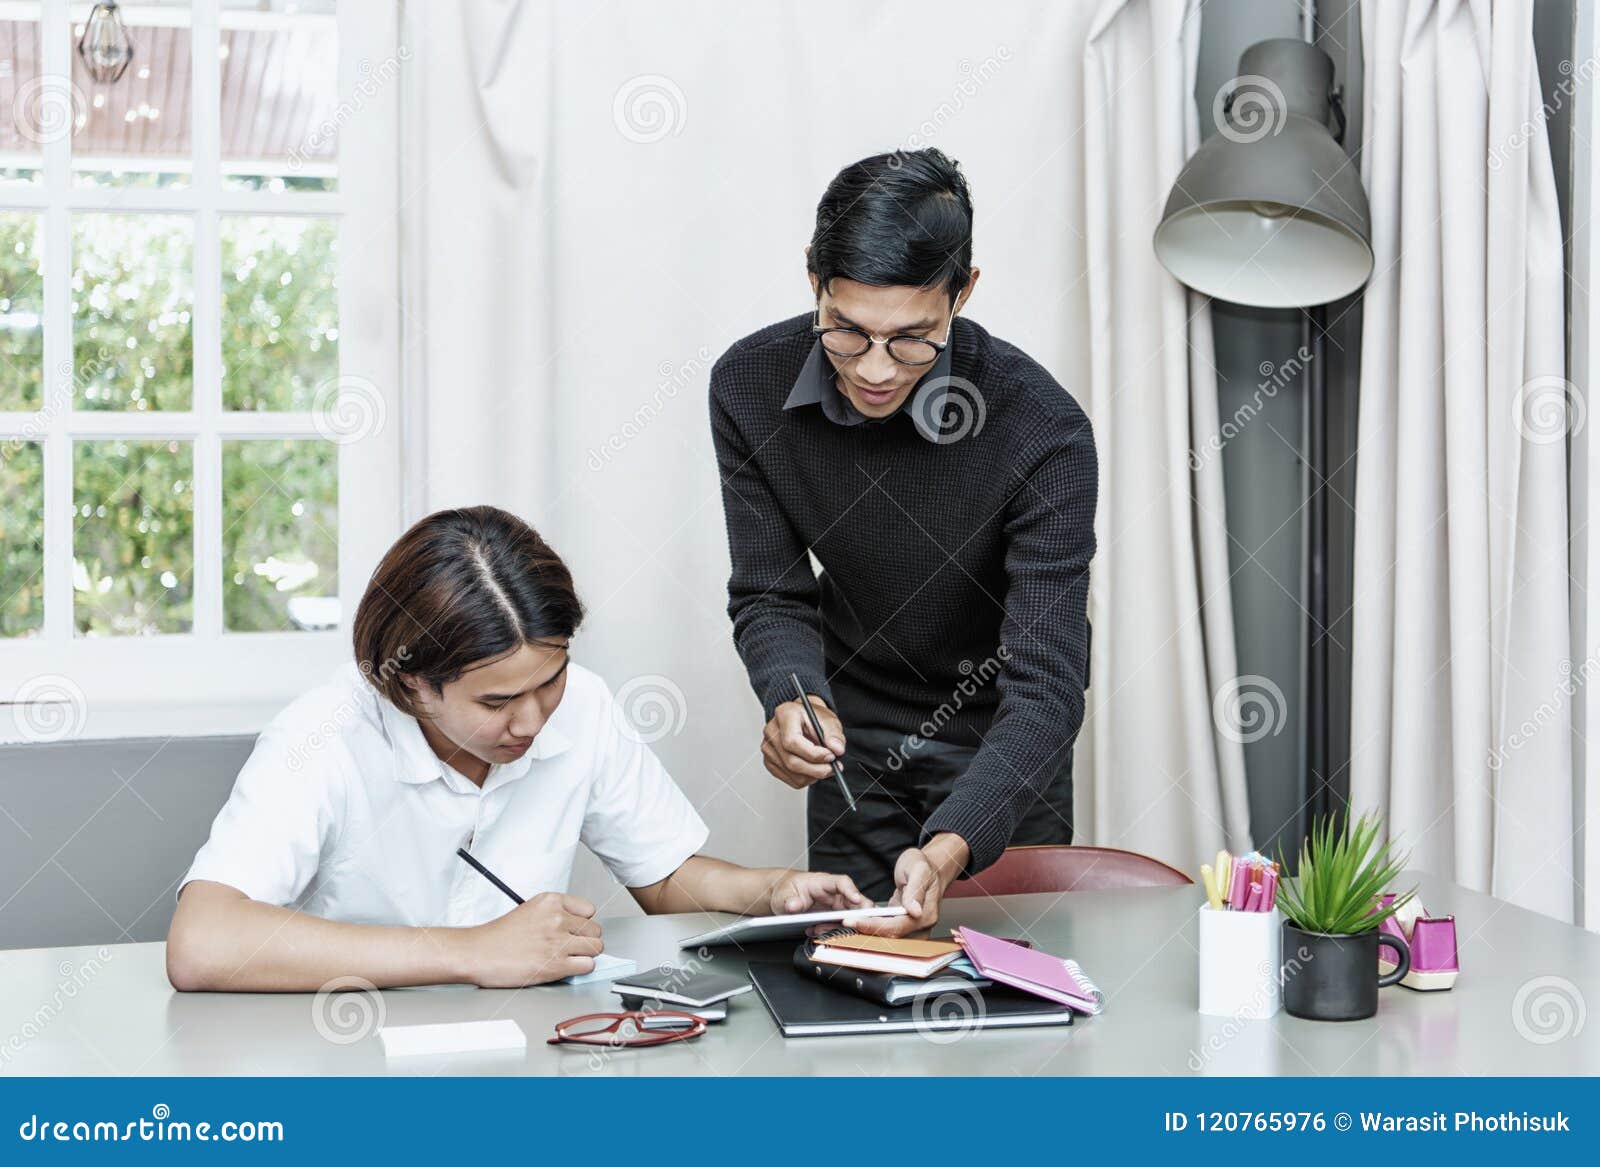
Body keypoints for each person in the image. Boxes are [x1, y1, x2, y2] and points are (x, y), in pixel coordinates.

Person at [166, 505, 867, 992]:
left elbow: (665, 874)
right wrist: (471, 952)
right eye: (495, 703)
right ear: (410, 684)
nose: (530, 720)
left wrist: (770, 891)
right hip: (348, 1052)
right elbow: (203, 941)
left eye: (549, 678)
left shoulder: (584, 705)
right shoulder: (324, 735)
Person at [710, 148, 1097, 937]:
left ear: (964, 293)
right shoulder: (748, 385)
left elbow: (1046, 684)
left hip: (1003, 746)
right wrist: (793, 696)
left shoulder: (1043, 430)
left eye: (913, 338)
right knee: (853, 987)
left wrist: (959, 836)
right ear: (813, 279)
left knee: (1014, 1009)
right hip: (853, 746)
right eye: (847, 333)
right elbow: (770, 591)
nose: (876, 370)